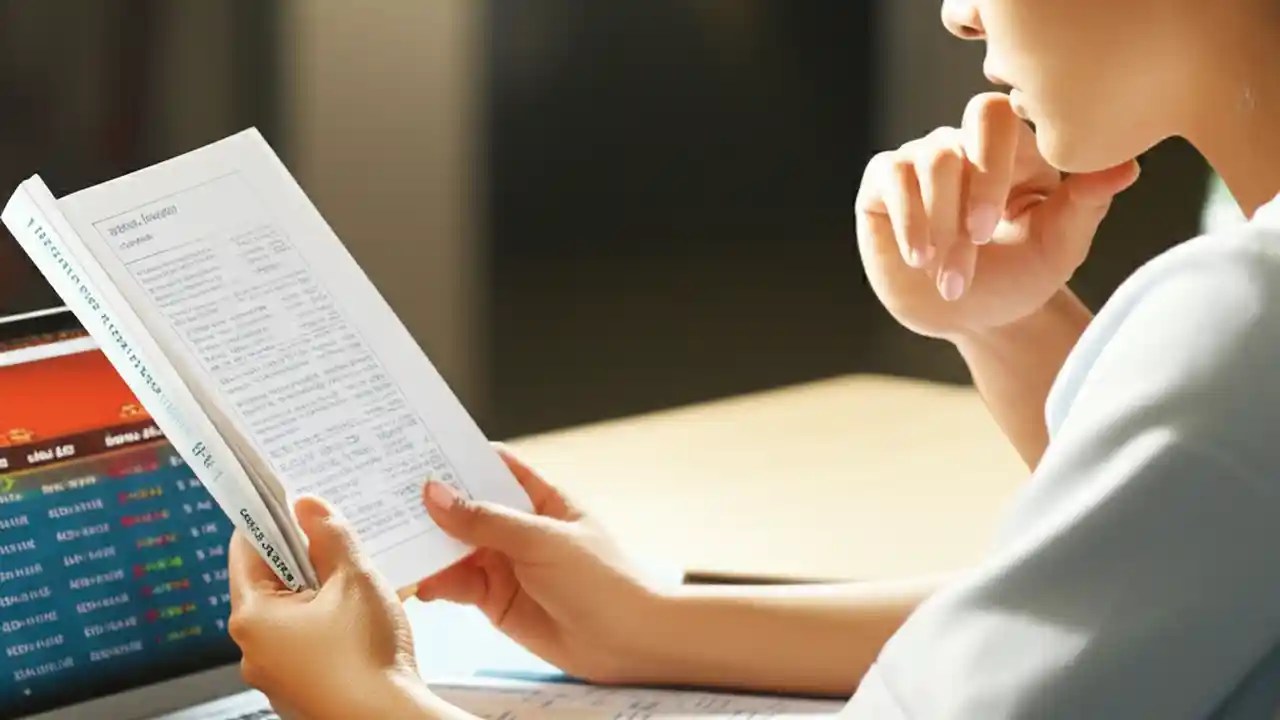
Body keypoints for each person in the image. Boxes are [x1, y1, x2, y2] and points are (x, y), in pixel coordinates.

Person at [227, 0, 1280, 717]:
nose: (957, 12)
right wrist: (654, 625)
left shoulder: (1241, 316)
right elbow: (1162, 588)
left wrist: (369, 703)